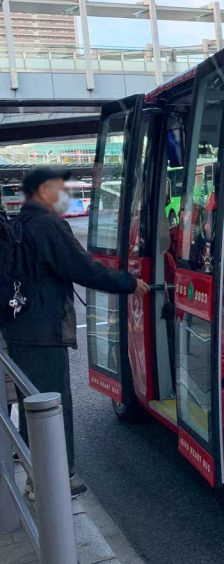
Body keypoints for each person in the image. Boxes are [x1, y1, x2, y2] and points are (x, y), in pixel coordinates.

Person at [0, 166, 149, 499]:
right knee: (53, 405)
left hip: (20, 326)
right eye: (60, 189)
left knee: (32, 403)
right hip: (43, 331)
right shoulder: (47, 225)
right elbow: (83, 268)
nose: (65, 196)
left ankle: (36, 476)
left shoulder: (22, 222)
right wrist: (129, 282)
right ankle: (53, 482)